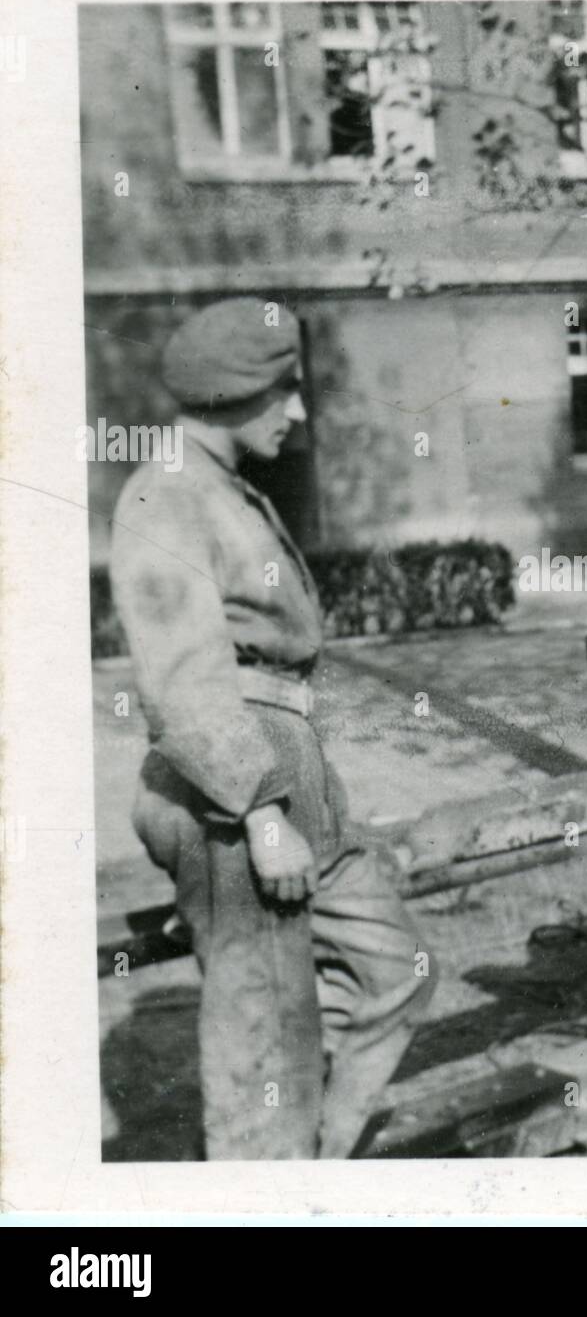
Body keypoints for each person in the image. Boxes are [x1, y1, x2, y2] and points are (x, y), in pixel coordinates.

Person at [110, 298, 436, 1159]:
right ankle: (265, 1175)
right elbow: (183, 675)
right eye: (283, 392)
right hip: (227, 792)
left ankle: (306, 1166)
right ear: (230, 395)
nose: (298, 412)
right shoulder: (165, 495)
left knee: (395, 969)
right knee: (264, 1032)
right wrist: (258, 811)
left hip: (289, 772)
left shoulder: (222, 487)